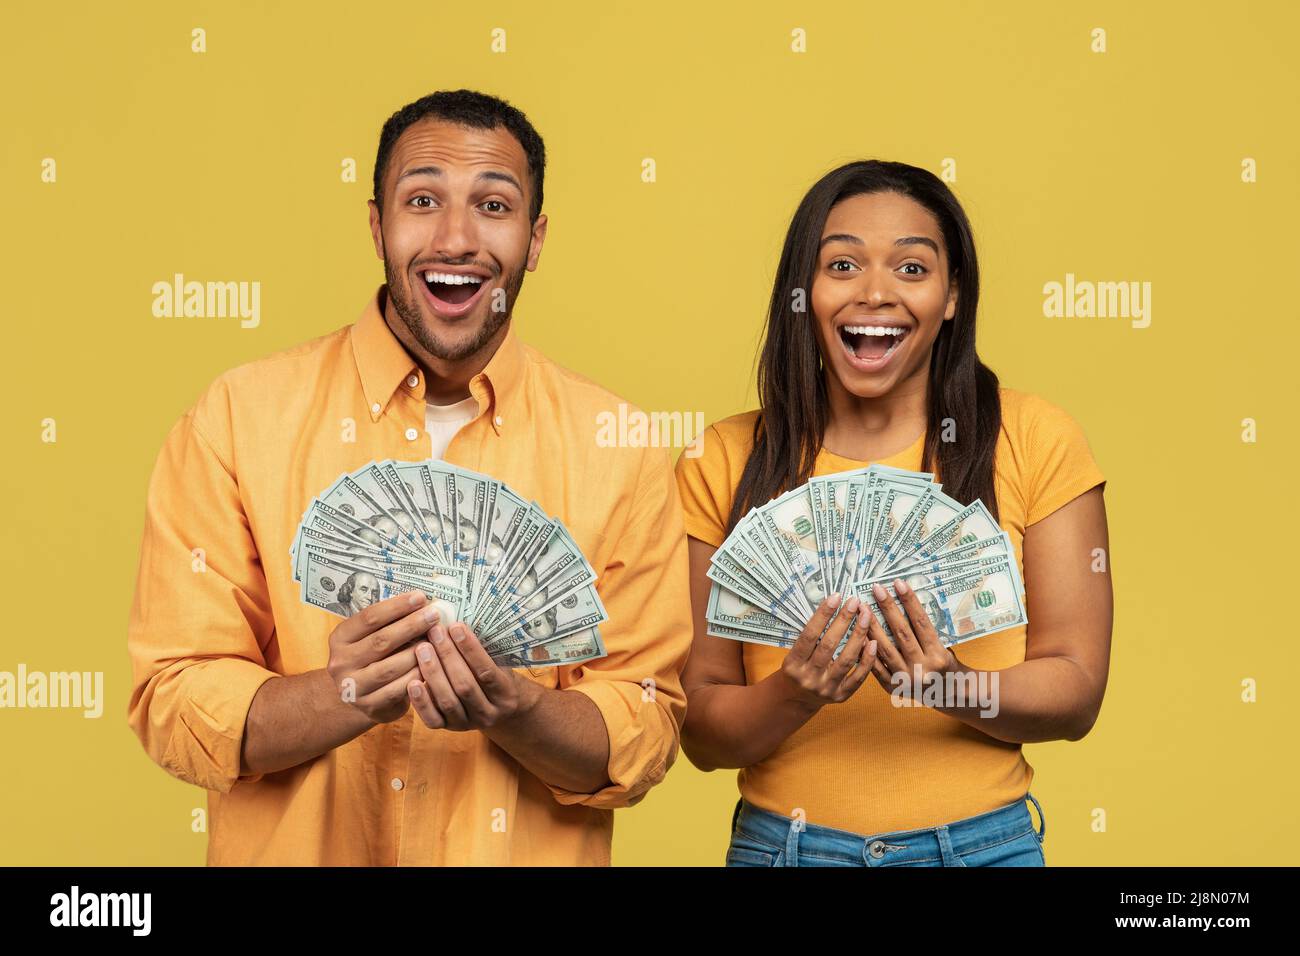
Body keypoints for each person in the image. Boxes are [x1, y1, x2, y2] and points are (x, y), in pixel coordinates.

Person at [127, 89, 692, 866]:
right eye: (422, 201)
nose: (455, 238)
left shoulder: (619, 447)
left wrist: (516, 709)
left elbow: (645, 725)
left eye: (493, 205)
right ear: (377, 226)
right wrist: (341, 693)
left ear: (534, 239)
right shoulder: (235, 418)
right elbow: (173, 699)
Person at [674, 160, 1112, 867]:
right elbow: (700, 729)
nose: (875, 293)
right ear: (802, 293)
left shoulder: (1035, 439)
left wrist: (948, 686)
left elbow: (1077, 692)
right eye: (842, 265)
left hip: (981, 848)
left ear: (952, 295)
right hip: (785, 849)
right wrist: (794, 693)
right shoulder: (722, 458)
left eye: (912, 268)